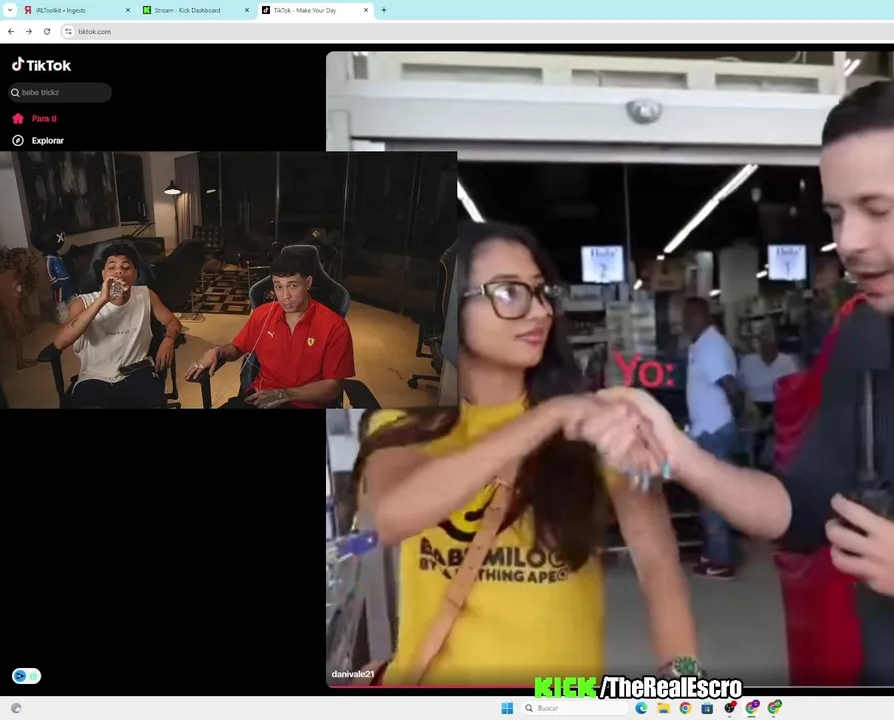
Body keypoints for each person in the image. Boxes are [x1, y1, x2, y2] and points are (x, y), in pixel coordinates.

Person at [602, 79, 894, 686]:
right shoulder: (863, 337)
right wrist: (678, 453)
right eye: (837, 215)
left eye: (877, 210)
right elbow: (799, 509)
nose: (848, 242)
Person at [354, 221, 700, 686]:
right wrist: (547, 417)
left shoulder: (598, 426)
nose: (539, 311)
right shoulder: (408, 421)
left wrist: (685, 682)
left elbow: (659, 568)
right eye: (509, 293)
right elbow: (388, 518)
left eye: (540, 292)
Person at [186, 255, 355, 409]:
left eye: (293, 285)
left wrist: (284, 394)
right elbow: (237, 348)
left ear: (308, 283)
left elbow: (334, 386)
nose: (285, 296)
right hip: (262, 398)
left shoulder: (334, 325)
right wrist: (217, 351)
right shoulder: (263, 314)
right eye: (278, 286)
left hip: (306, 403)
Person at [51, 242, 182, 408]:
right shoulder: (84, 302)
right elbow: (60, 342)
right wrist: (103, 300)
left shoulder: (146, 295)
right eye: (112, 267)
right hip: (94, 378)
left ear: (135, 274)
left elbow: (173, 322)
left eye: (125, 267)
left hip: (137, 372)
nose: (119, 271)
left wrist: (169, 339)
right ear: (103, 274)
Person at [682, 296, 744, 579]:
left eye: (688, 317)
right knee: (708, 495)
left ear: (701, 316)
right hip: (707, 430)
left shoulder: (712, 346)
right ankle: (717, 550)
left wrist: (731, 421)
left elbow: (732, 389)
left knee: (712, 496)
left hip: (714, 432)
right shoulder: (701, 345)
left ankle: (722, 559)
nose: (684, 324)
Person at [736, 331, 799, 467]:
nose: (767, 351)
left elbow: (794, 391)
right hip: (753, 406)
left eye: (771, 346)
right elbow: (740, 389)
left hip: (779, 405)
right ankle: (756, 465)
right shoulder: (748, 362)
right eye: (764, 345)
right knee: (754, 433)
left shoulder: (787, 362)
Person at [31, 229, 78, 324]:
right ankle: (62, 315)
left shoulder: (56, 257)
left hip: (66, 280)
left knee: (71, 294)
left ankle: (75, 308)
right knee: (60, 299)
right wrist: (54, 281)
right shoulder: (49, 259)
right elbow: (48, 271)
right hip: (60, 282)